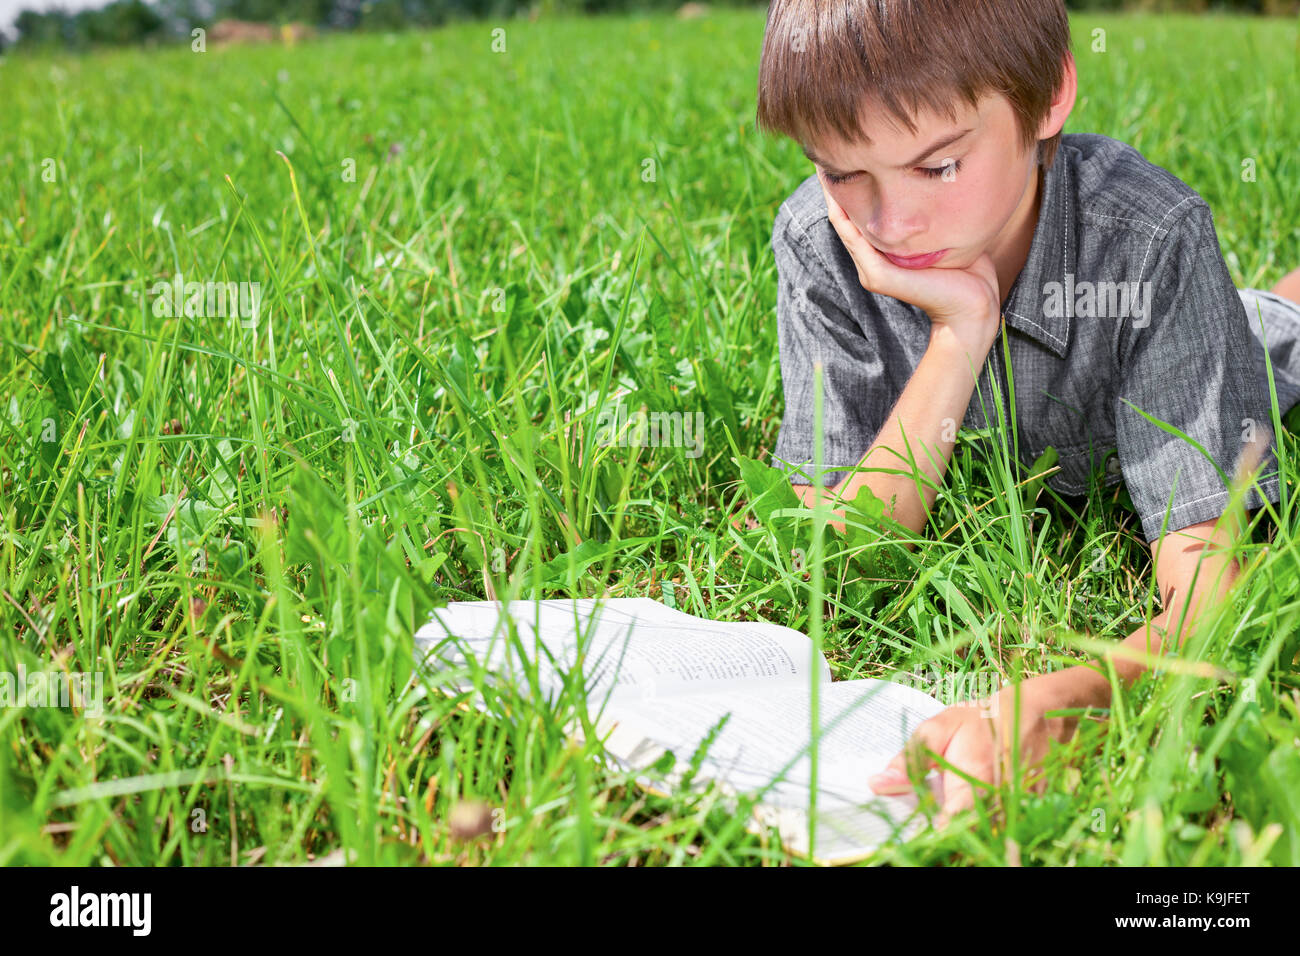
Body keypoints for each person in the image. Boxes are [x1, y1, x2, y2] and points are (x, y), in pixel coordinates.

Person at [754, 0, 1300, 827]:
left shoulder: (1148, 238)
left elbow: (1211, 595)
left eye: (938, 167)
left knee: (1275, 326)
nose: (889, 224)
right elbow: (841, 559)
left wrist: (1084, 692)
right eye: (841, 171)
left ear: (1048, 100)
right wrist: (959, 334)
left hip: (1245, 353)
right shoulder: (818, 239)